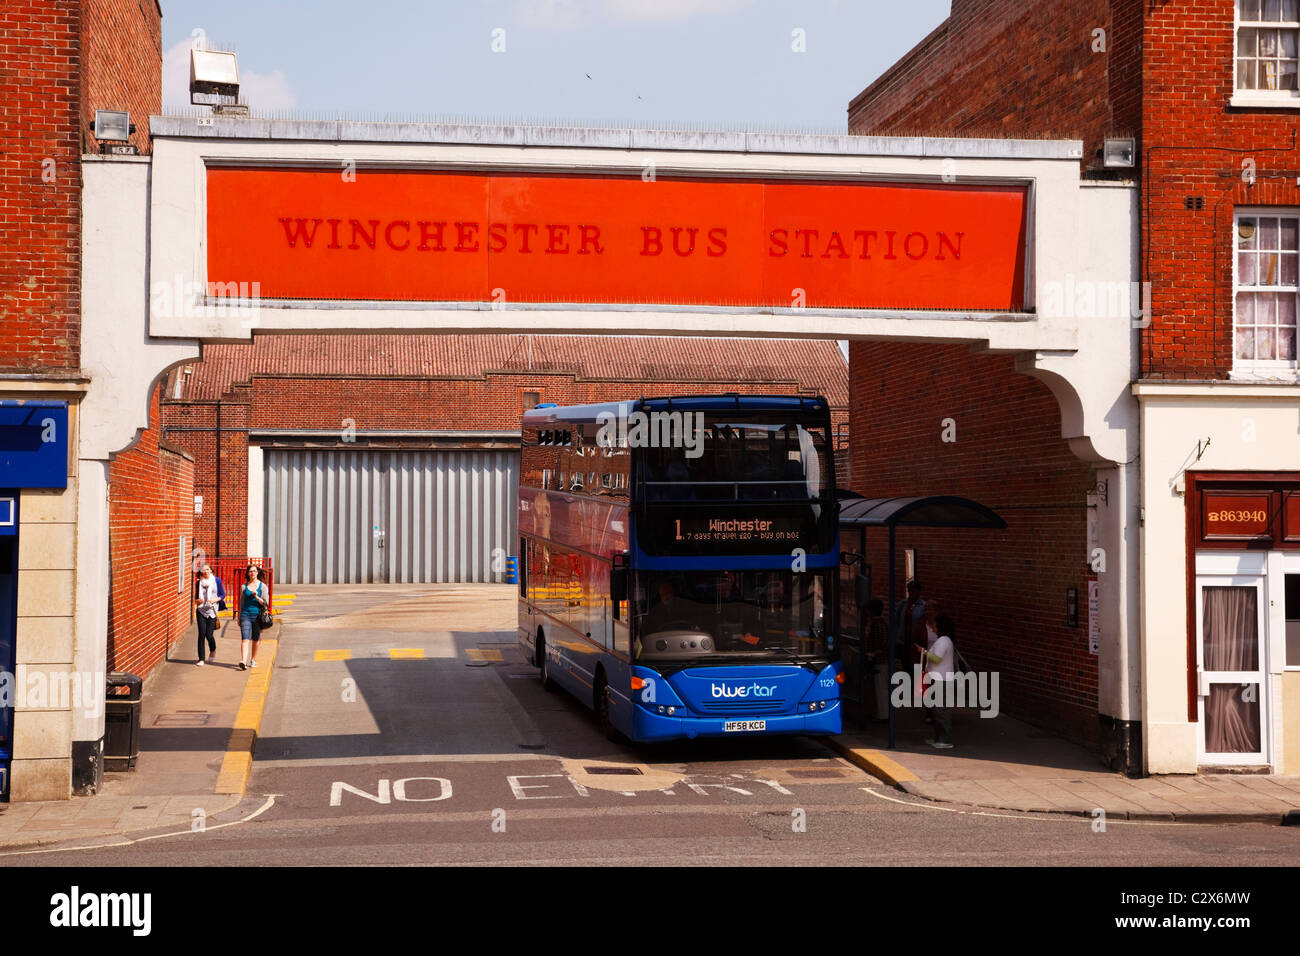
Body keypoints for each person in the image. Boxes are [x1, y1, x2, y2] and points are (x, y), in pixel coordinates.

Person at [918, 614, 957, 749]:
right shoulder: (944, 640)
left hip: (942, 679)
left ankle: (945, 739)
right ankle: (938, 737)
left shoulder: (943, 641)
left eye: (934, 625)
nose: (932, 627)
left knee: (940, 710)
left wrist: (922, 651)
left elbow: (937, 659)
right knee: (937, 710)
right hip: (939, 678)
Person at [713, 573, 762, 649]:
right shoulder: (710, 605)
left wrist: (743, 638)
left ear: (730, 583)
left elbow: (759, 641)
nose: (720, 585)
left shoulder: (745, 607)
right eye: (718, 582)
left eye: (724, 581)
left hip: (743, 651)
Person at [238, 564, 269, 670]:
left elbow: (265, 603)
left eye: (254, 571)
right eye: (250, 571)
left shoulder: (263, 586)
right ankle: (243, 661)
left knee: (255, 639)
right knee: (245, 638)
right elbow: (241, 602)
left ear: (257, 573)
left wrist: (256, 596)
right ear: (248, 573)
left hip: (257, 616)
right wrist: (239, 616)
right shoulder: (244, 586)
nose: (252, 573)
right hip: (245, 615)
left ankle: (253, 659)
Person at [864, 598, 889, 720]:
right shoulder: (882, 623)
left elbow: (883, 644)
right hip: (881, 660)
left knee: (880, 688)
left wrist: (873, 654)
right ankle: (881, 713)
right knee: (880, 688)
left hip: (879, 660)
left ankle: (883, 714)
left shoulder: (876, 624)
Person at [892, 581, 925, 672]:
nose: (911, 594)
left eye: (914, 591)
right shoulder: (902, 604)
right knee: (904, 666)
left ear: (918, 592)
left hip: (915, 642)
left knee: (915, 666)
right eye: (910, 591)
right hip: (903, 641)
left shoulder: (923, 606)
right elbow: (897, 622)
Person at [194, 564, 220, 666]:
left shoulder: (216, 581)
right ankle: (201, 659)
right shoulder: (198, 583)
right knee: (201, 635)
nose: (206, 571)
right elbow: (196, 598)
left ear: (211, 570)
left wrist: (214, 600)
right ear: (201, 572)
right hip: (201, 611)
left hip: (212, 611)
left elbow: (222, 595)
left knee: (209, 635)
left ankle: (213, 650)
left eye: (208, 569)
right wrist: (198, 601)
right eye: (204, 570)